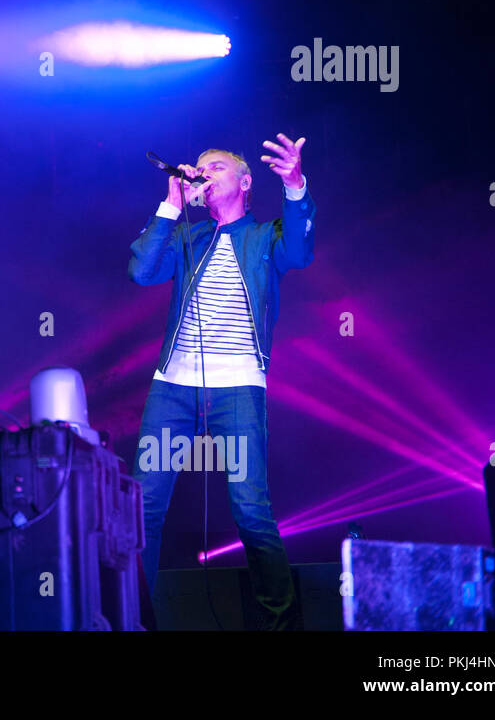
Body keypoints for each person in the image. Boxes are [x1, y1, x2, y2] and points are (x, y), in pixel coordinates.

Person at [128, 134, 314, 630]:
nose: (205, 174)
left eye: (217, 168)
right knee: (142, 508)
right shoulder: (187, 238)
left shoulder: (264, 236)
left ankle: (280, 625)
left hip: (239, 389)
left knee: (251, 511)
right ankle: (134, 621)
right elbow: (142, 271)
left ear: (245, 182)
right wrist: (170, 206)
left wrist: (295, 184)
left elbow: (300, 250)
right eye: (201, 168)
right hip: (172, 388)